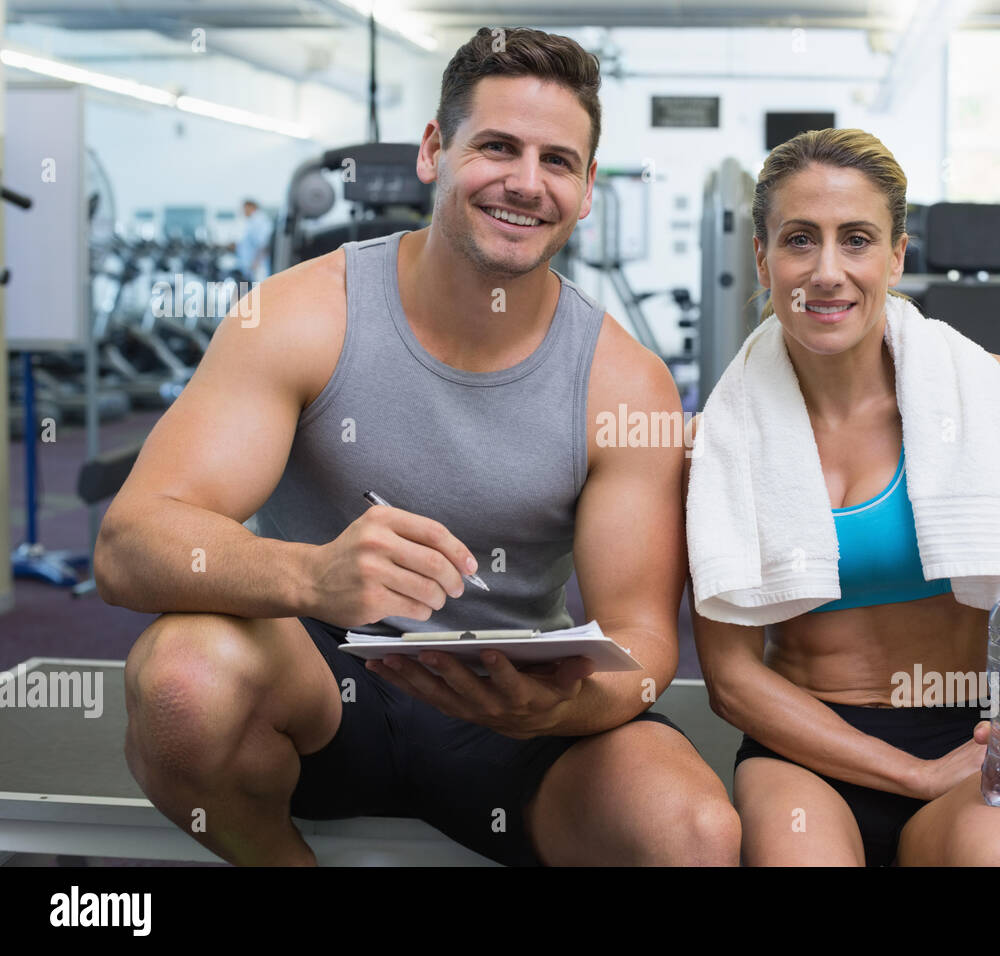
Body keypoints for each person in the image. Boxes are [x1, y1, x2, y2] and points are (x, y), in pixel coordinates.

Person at [98, 26, 741, 867]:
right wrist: (311, 576)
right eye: (498, 147)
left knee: (696, 834)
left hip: (515, 717)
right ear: (435, 150)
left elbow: (644, 643)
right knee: (182, 684)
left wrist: (554, 712)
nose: (525, 182)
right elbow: (130, 542)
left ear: (587, 191)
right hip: (323, 689)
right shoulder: (302, 314)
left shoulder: (625, 383)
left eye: (557, 161)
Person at [686, 128, 1000, 866]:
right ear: (763, 257)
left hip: (972, 738)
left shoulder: (996, 393)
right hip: (807, 754)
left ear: (897, 256)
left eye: (858, 240)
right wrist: (911, 776)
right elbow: (732, 678)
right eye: (800, 240)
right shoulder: (719, 437)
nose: (828, 271)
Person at [233, 199, 273, 281]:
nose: (243, 212)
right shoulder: (252, 221)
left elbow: (264, 244)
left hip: (258, 267)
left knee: (259, 292)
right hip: (253, 267)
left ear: (251, 207)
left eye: (244, 208)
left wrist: (256, 263)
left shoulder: (259, 221)